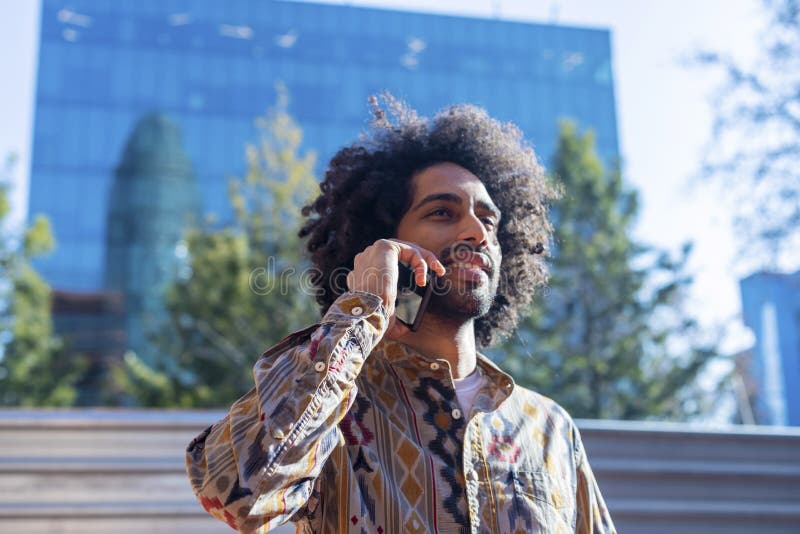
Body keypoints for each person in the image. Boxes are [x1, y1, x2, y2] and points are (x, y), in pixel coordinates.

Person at [185, 95, 616, 533]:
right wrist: (362, 309)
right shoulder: (334, 405)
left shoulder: (550, 428)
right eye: (443, 212)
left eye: (489, 220)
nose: (477, 232)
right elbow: (237, 493)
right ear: (384, 243)